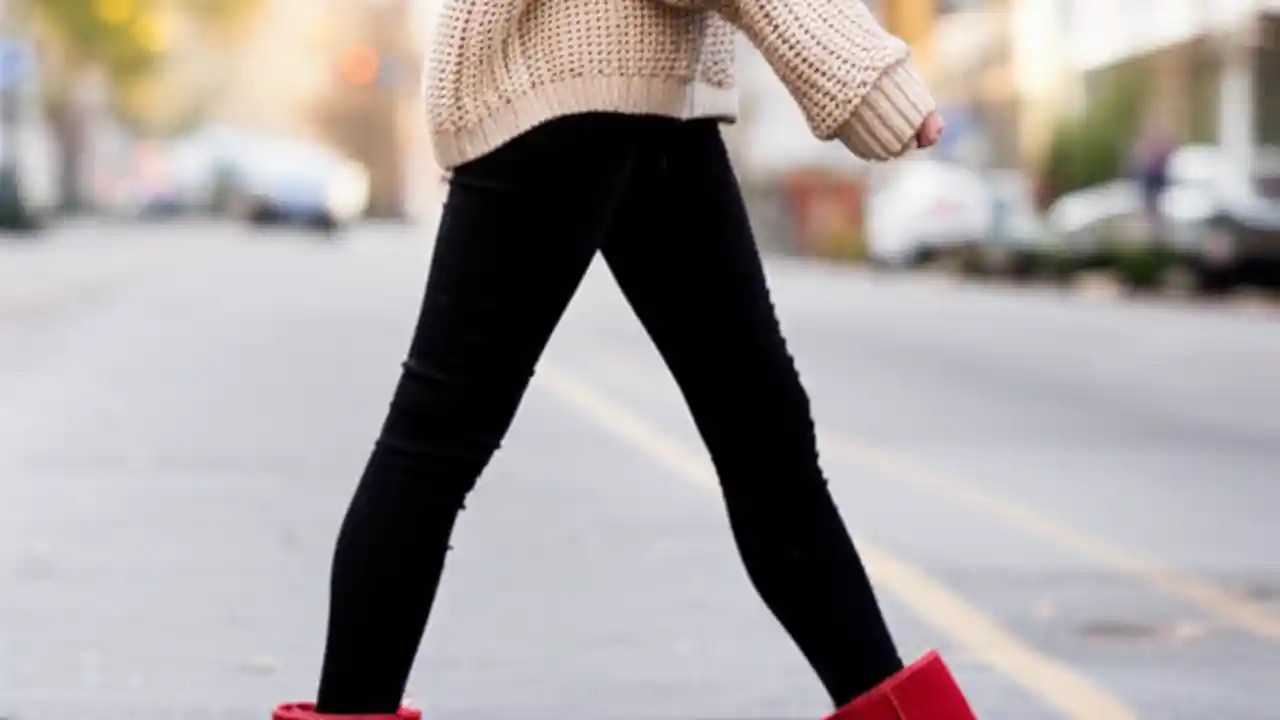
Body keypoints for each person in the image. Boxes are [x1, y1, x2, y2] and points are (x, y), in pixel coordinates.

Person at [274, 0, 975, 718]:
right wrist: (856, 65)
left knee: (765, 438)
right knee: (438, 440)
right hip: (562, 81)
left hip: (653, 93)